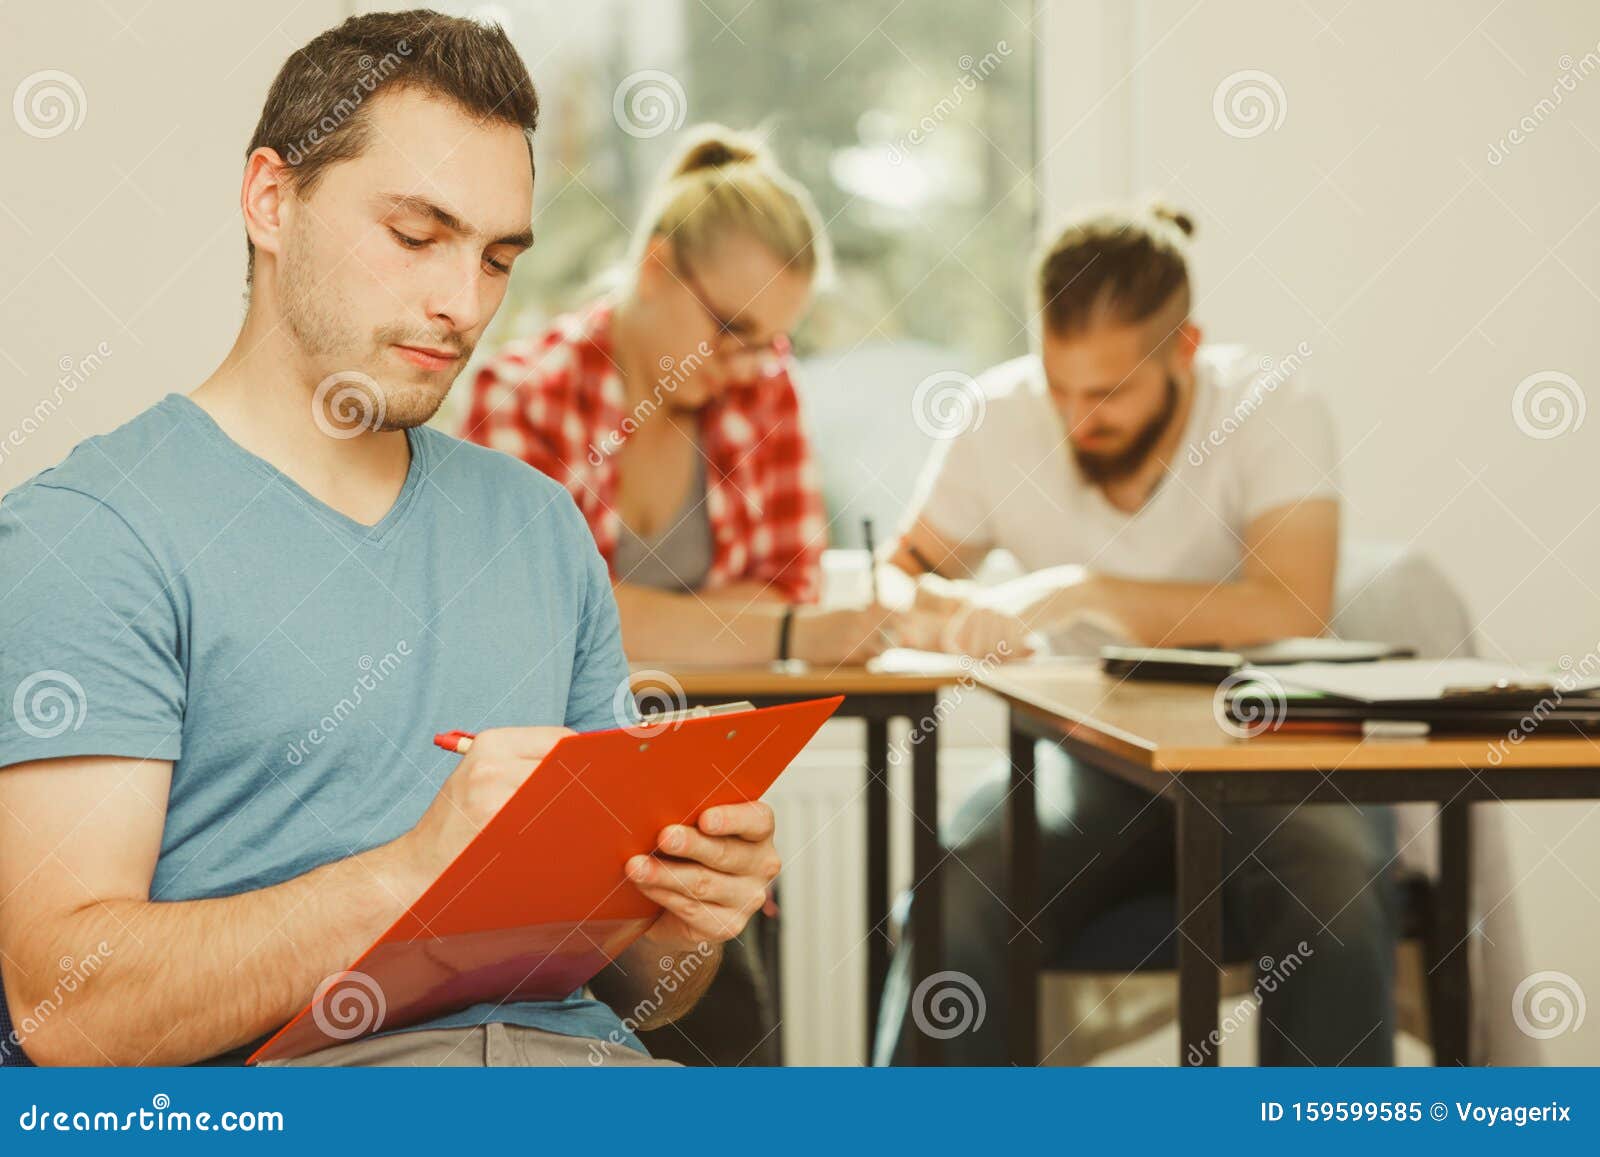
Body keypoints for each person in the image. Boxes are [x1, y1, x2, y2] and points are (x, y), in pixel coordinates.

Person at [0, 11, 780, 1069]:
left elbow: (648, 990)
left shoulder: (539, 526)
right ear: (271, 200)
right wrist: (412, 871)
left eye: (498, 257)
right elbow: (70, 1017)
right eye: (416, 237)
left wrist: (685, 918)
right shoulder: (92, 535)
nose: (462, 303)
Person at [873, 203, 1400, 1065]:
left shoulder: (1271, 406)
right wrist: (936, 610)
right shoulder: (997, 415)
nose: (1080, 417)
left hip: (1268, 748)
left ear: (1184, 350)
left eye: (1111, 391)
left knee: (1336, 892)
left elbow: (1290, 607)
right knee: (955, 893)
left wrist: (1082, 591)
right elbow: (897, 571)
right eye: (1061, 386)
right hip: (1092, 758)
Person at [459, 124, 909, 1065]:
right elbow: (545, 621)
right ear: (656, 267)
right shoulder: (524, 390)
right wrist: (761, 624)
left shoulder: (762, 391)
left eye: (775, 338)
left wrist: (658, 616)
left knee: (734, 1020)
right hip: (565, 777)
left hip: (705, 778)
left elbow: (772, 591)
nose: (754, 361)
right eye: (734, 328)